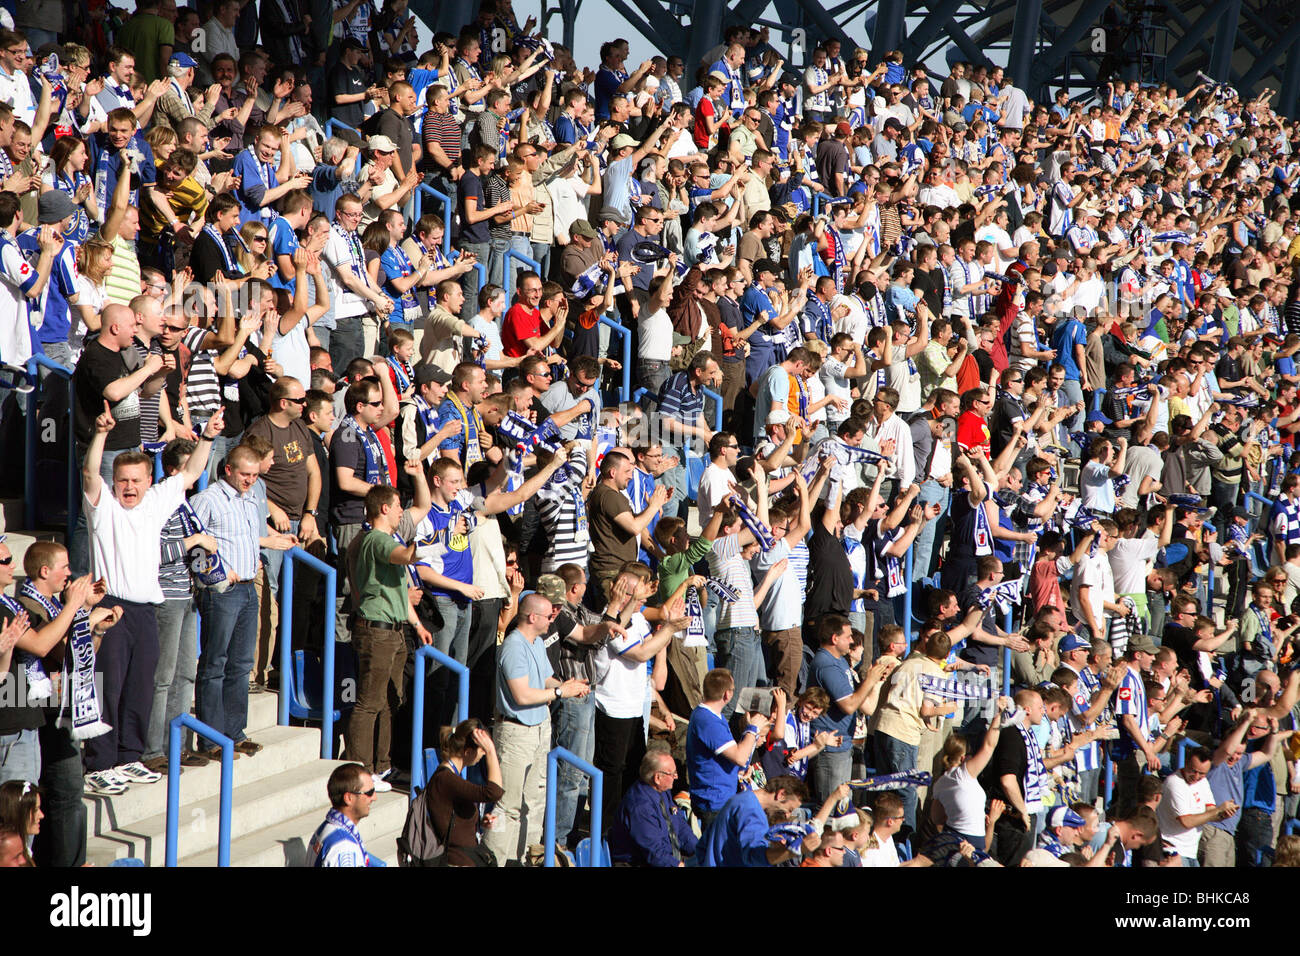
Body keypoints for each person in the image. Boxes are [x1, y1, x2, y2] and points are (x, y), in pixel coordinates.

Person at [80, 396, 220, 788]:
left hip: (146, 612)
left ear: (147, 481)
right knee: (109, 687)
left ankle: (128, 757)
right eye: (122, 480)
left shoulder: (157, 502)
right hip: (111, 610)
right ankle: (99, 764)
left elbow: (190, 472)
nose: (128, 487)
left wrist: (207, 436)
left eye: (136, 481)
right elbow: (91, 474)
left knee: (140, 687)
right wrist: (100, 436)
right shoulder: (102, 507)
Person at [483, 591, 590, 866]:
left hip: (540, 728)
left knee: (535, 801)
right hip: (516, 733)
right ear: (532, 617)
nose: (553, 617)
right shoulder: (513, 646)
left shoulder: (536, 643)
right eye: (548, 614)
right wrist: (559, 694)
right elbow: (522, 695)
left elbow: (544, 679)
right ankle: (494, 859)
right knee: (508, 805)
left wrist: (568, 687)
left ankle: (527, 859)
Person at [424, 719, 504, 867]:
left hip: (467, 855)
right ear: (467, 752)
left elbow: (448, 817)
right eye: (482, 752)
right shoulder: (446, 779)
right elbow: (494, 792)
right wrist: (492, 751)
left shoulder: (450, 777)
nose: (483, 756)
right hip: (458, 860)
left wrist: (478, 821)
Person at [696, 774, 815, 867]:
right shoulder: (752, 812)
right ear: (781, 794)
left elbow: (703, 846)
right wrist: (794, 850)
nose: (787, 815)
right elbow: (755, 857)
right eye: (789, 809)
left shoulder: (739, 799)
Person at [608, 749, 698, 867]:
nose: (676, 777)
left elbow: (680, 826)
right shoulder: (640, 806)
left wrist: (699, 850)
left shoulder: (662, 791)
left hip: (665, 858)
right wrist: (680, 865)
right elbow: (654, 853)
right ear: (657, 778)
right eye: (672, 773)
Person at [308, 763, 381, 867]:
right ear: (349, 798)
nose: (374, 798)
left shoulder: (326, 827)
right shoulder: (344, 848)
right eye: (369, 792)